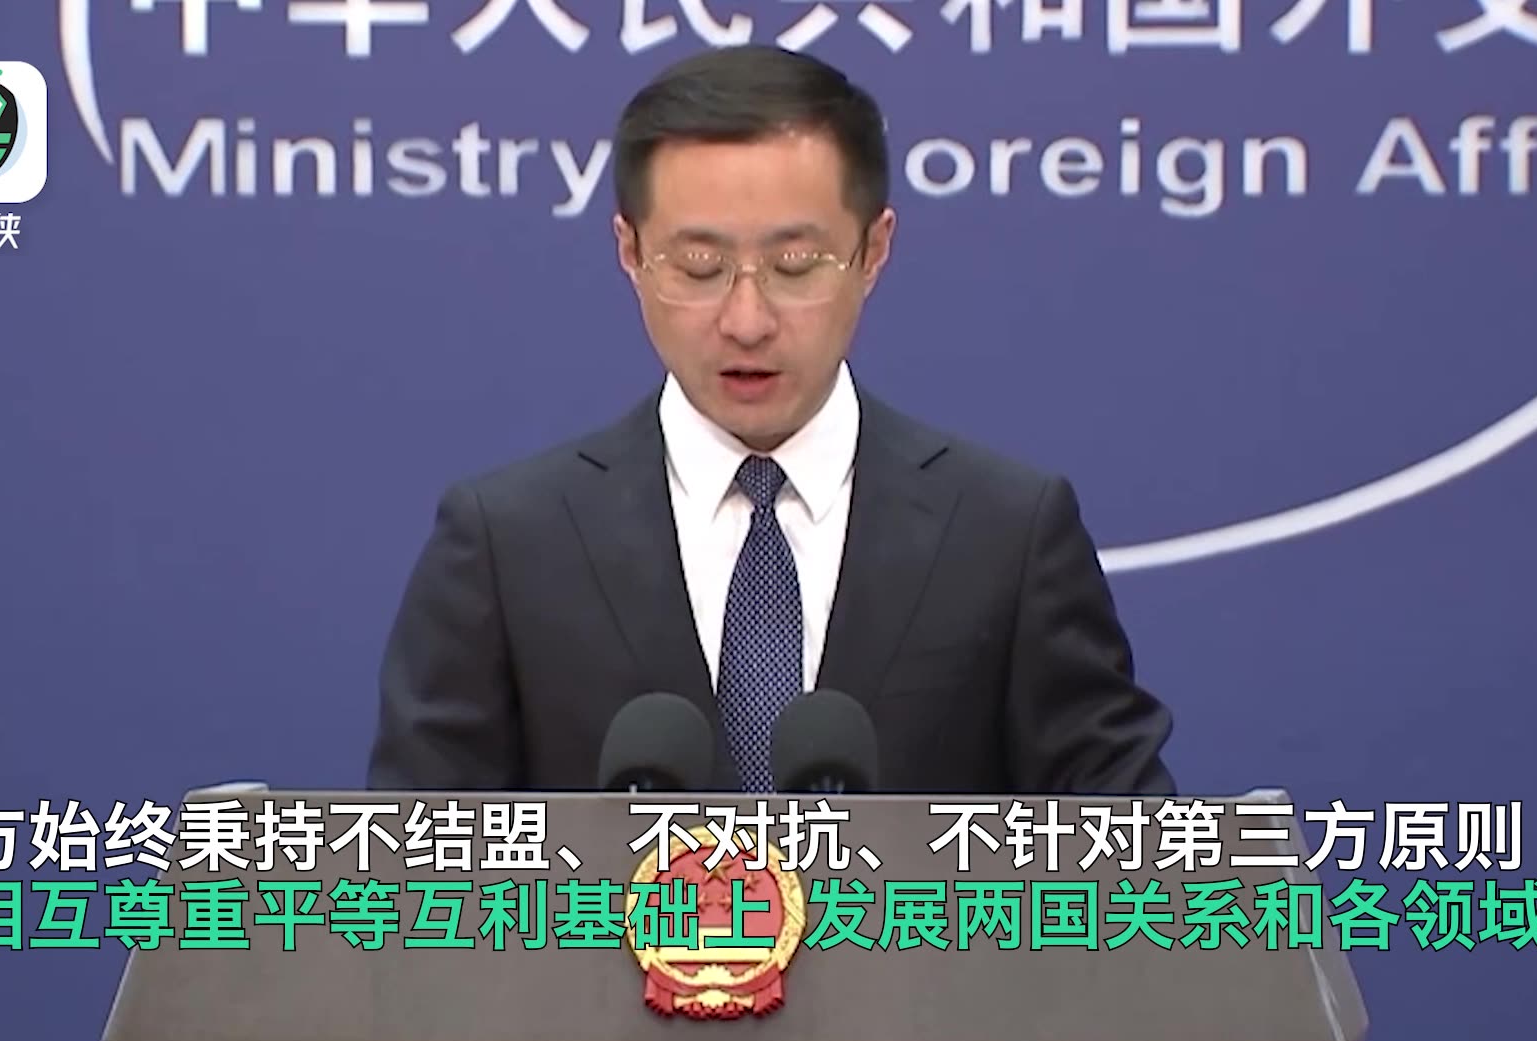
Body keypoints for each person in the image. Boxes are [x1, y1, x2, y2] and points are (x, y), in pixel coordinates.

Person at [367, 45, 1174, 795]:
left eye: (795, 266)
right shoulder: (508, 545)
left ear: (874, 250)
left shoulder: (1006, 535)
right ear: (629, 252)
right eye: (699, 267)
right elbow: (419, 873)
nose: (746, 320)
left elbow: (1136, 859)